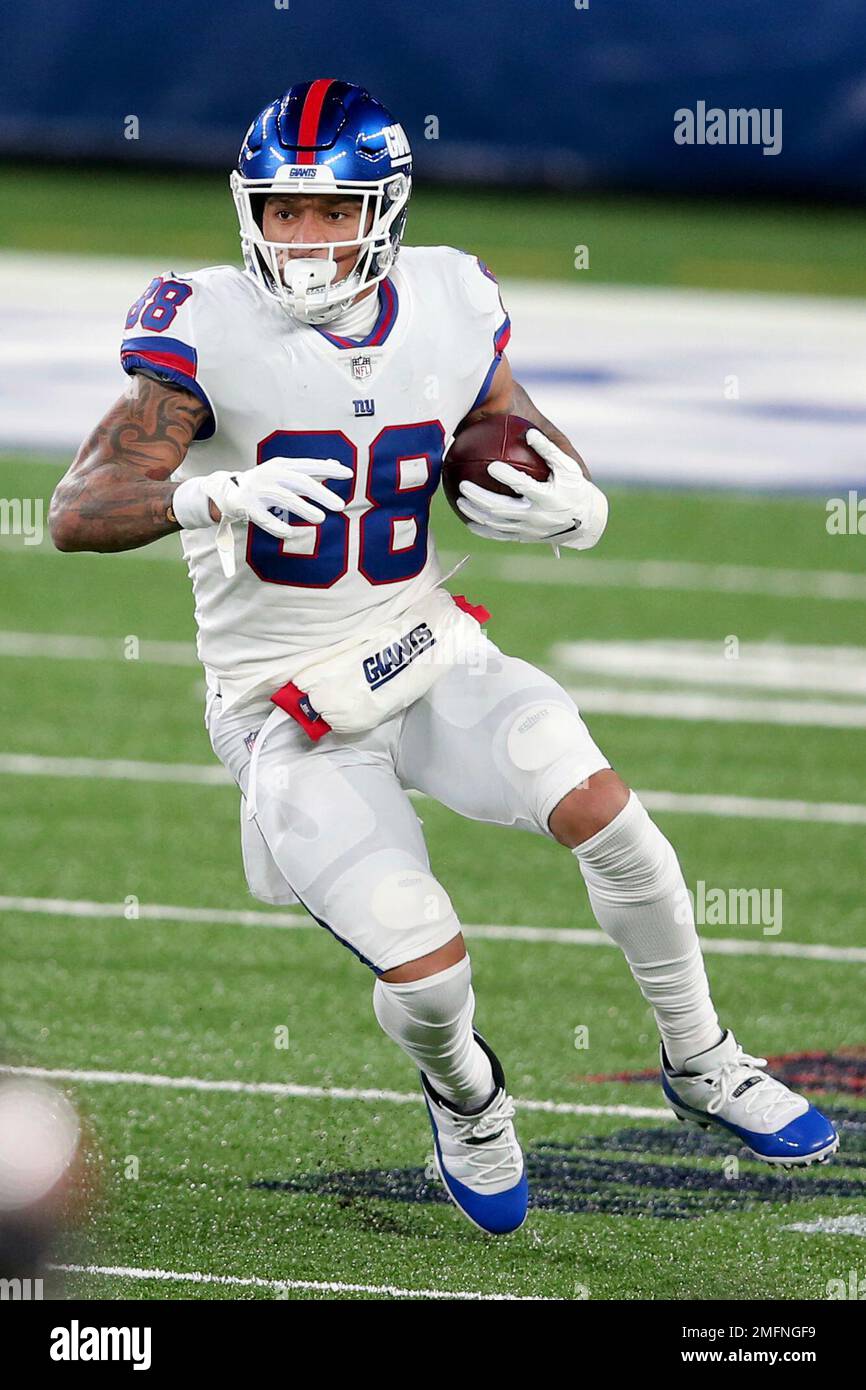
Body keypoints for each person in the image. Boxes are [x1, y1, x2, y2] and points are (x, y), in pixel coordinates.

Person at [49, 79, 838, 1236]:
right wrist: (211, 491)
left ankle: (701, 1057)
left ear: (386, 209)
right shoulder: (201, 323)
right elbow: (78, 507)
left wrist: (572, 494)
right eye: (280, 211)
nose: (302, 239)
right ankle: (466, 1094)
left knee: (614, 820)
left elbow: (496, 419)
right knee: (426, 978)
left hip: (425, 647)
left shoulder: (452, 295)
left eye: (330, 212)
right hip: (284, 703)